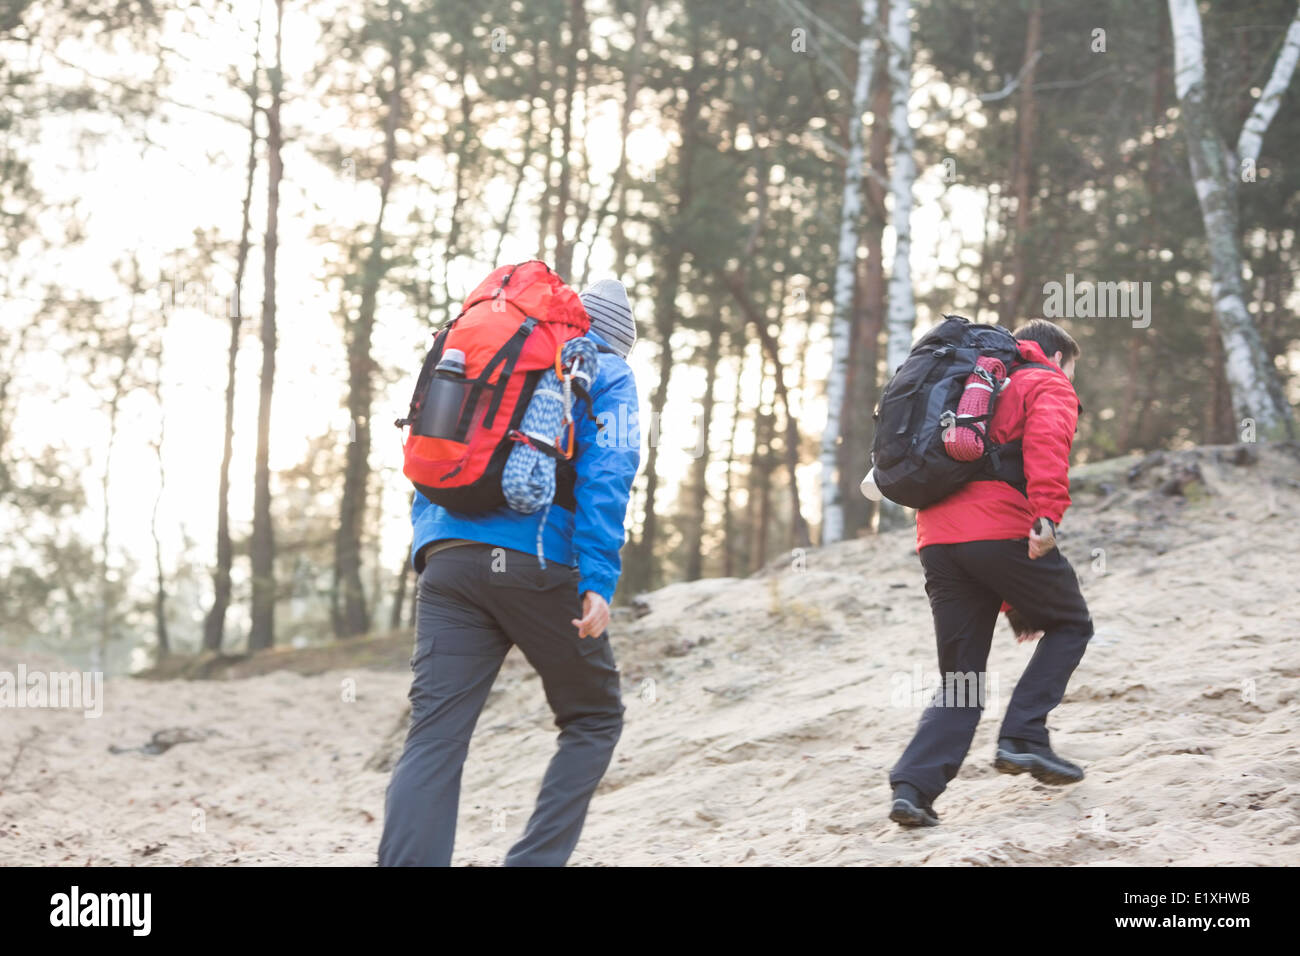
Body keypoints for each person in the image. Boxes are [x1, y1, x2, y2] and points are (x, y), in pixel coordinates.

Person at [378, 277, 641, 865]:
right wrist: (598, 580)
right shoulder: (608, 373)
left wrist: (434, 545)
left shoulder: (487, 356)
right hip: (538, 561)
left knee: (435, 736)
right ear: (616, 342)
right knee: (594, 717)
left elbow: (433, 455)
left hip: (446, 561)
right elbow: (608, 476)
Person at [889, 318, 1094, 828]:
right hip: (1001, 529)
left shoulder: (971, 382)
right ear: (1056, 356)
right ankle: (1023, 736)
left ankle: (914, 790)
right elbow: (1047, 445)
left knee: (960, 679)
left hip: (937, 540)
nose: (1070, 380)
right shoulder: (1044, 381)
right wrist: (1047, 515)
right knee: (1073, 623)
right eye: (1071, 369)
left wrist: (1011, 601)